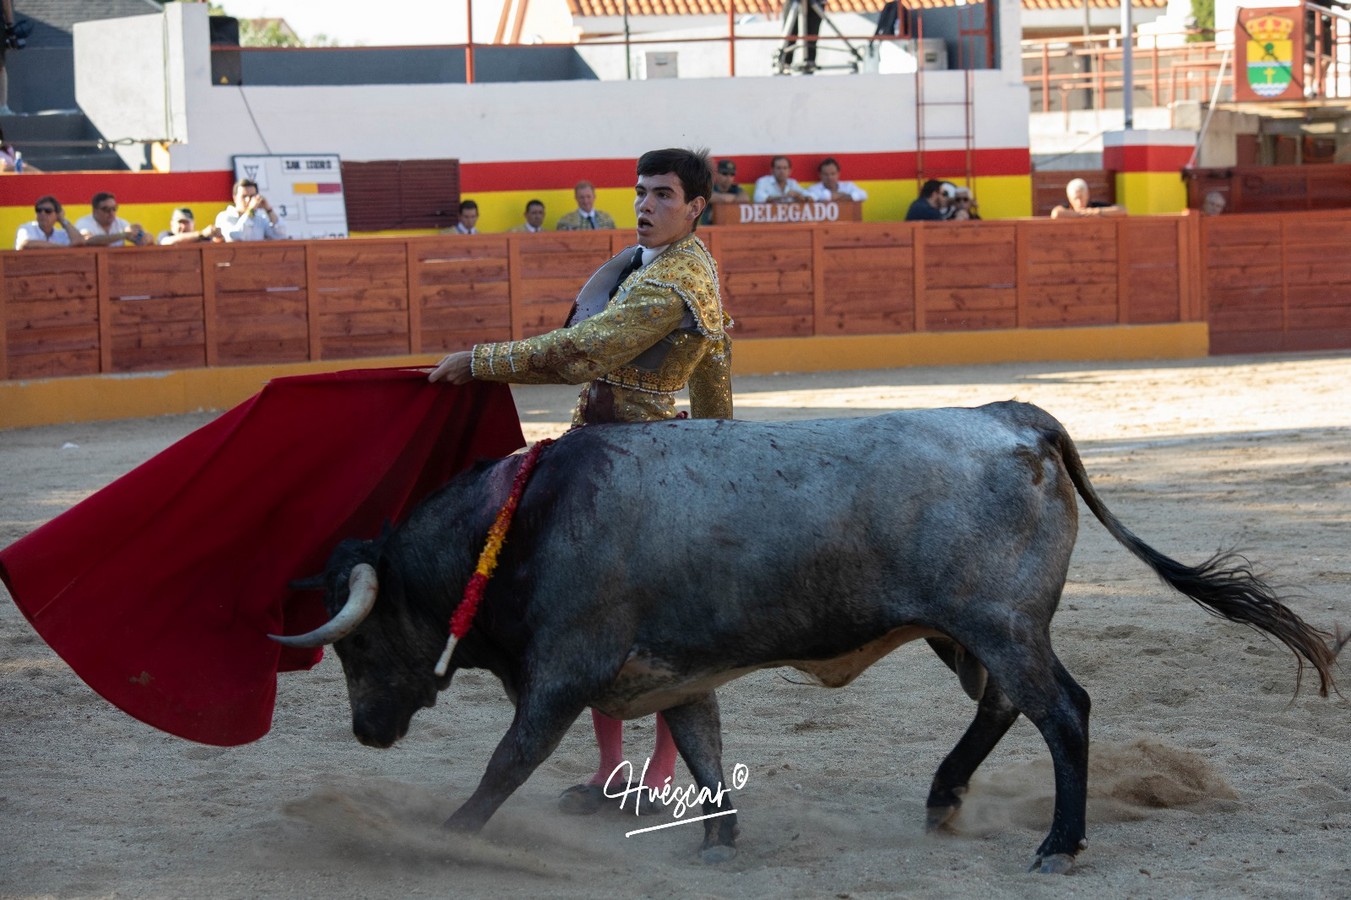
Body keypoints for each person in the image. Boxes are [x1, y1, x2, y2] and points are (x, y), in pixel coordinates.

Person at [427, 148, 733, 816]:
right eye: (640, 192)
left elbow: (579, 352)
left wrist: (480, 362)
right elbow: (715, 369)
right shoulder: (661, 263)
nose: (644, 206)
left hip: (640, 467)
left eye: (661, 195)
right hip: (606, 452)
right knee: (584, 617)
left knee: (652, 629)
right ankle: (610, 771)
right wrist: (719, 440)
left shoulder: (671, 281)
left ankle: (651, 779)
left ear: (695, 207)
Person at [215, 178, 288, 242]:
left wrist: (268, 209)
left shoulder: (260, 219)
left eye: (252, 196)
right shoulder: (224, 217)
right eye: (244, 196)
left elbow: (280, 236)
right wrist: (250, 210)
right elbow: (235, 237)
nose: (248, 200)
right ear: (235, 198)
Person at [75, 192, 150, 247]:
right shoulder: (84, 223)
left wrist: (141, 235)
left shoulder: (120, 222)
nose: (111, 212)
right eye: (106, 209)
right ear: (95, 211)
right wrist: (123, 235)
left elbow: (142, 241)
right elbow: (89, 240)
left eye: (114, 208)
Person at [14, 195, 83, 250]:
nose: (42, 214)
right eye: (39, 210)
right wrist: (63, 247)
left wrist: (62, 220)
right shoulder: (27, 228)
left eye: (48, 211)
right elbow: (26, 244)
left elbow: (79, 242)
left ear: (57, 214)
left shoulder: (60, 234)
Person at [779, 0, 825, 73]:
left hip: (816, 3)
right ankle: (784, 65)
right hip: (793, 3)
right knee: (790, 36)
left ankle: (809, 65)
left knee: (811, 39)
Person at [700, 158, 749, 224]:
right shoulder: (709, 188)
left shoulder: (735, 188)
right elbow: (711, 197)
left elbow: (745, 198)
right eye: (725, 174)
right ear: (717, 174)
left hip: (731, 228)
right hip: (711, 228)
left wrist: (726, 200)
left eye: (732, 174)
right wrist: (733, 199)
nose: (728, 178)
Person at [1050, 178, 1126, 219]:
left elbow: (1122, 210)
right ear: (1069, 198)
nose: (1079, 202)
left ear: (1087, 195)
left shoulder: (1095, 205)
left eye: (1082, 197)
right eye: (1076, 198)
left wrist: (1095, 211)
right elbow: (1056, 213)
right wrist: (1083, 213)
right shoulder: (1066, 207)